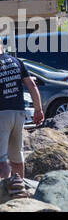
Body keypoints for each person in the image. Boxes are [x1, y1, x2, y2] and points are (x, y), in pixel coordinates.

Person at [0, 48, 42, 196]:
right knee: (17, 156)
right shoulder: (16, 62)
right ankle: (21, 189)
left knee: (1, 158)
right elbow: (32, 85)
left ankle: (4, 193)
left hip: (2, 114)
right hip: (19, 113)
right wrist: (38, 109)